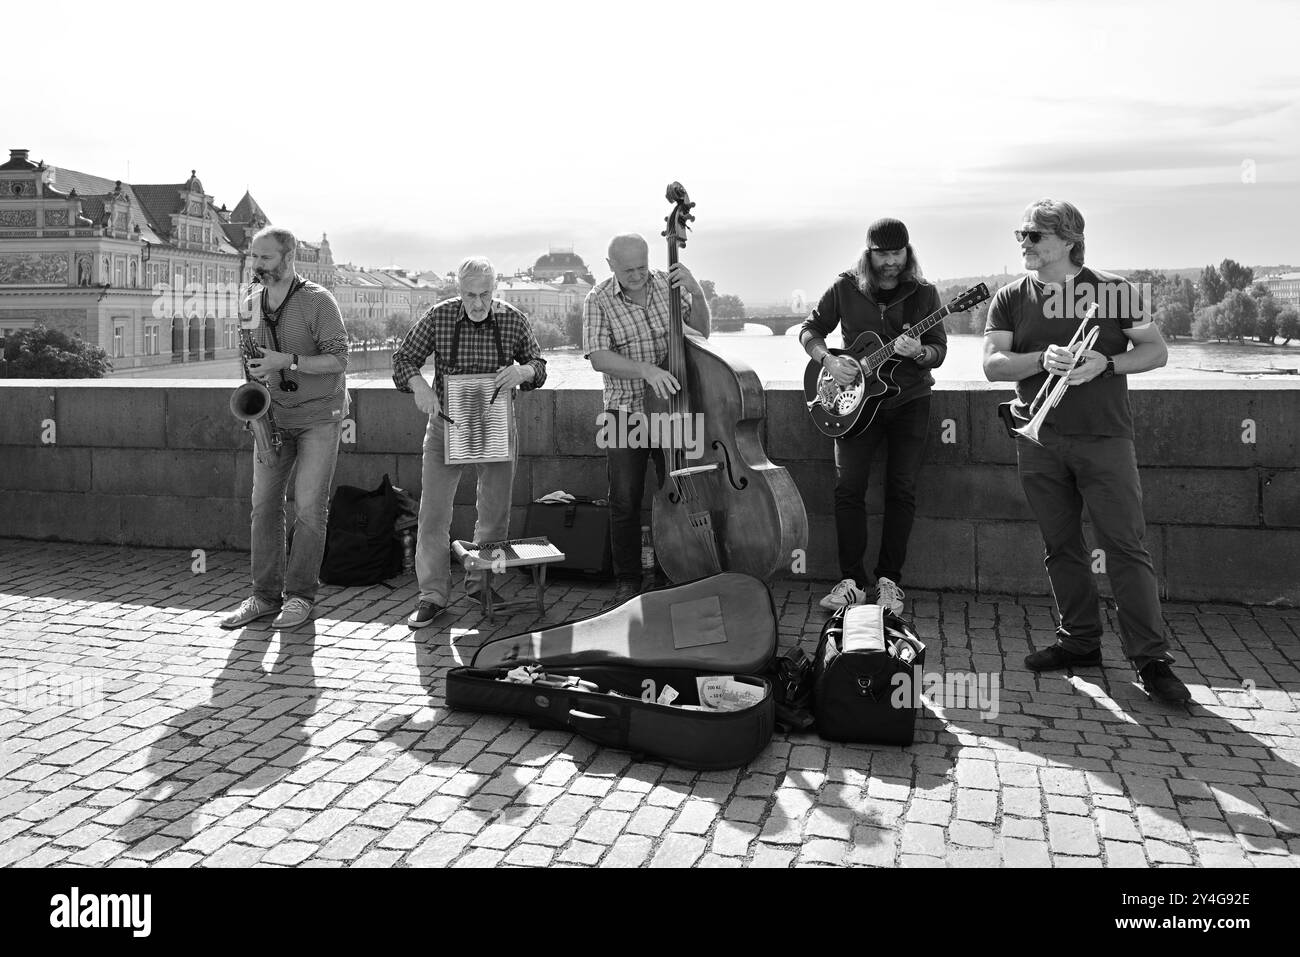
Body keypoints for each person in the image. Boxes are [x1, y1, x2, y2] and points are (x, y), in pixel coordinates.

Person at [982, 198, 1190, 704]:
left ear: (1068, 239)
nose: (1024, 244)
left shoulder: (1115, 291)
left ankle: (1151, 660)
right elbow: (992, 364)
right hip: (1040, 439)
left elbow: (1157, 351)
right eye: (1021, 235)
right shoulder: (1009, 297)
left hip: (1105, 439)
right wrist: (1039, 360)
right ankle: (1080, 642)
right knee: (1061, 547)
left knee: (1126, 548)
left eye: (1033, 236)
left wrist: (1107, 365)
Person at [799, 217, 947, 616]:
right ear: (868, 254)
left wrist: (918, 352)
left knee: (901, 490)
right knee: (848, 490)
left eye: (897, 253)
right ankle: (851, 582)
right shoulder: (845, 288)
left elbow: (939, 351)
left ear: (907, 252)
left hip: (909, 402)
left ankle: (889, 583)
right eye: (882, 254)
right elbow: (810, 330)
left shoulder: (924, 295)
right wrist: (828, 361)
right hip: (855, 407)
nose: (890, 262)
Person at [391, 256, 547, 629]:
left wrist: (522, 371)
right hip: (447, 424)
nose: (478, 303)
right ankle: (432, 596)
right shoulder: (440, 315)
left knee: (494, 515)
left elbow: (539, 367)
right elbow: (403, 360)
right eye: (470, 295)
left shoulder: (512, 318)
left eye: (485, 294)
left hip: (495, 426)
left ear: (495, 290)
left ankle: (481, 586)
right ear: (458, 290)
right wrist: (420, 387)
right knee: (432, 515)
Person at [220, 226, 350, 630]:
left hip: (319, 416)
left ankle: (300, 596)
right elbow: (250, 359)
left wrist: (285, 361)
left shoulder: (318, 301)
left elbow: (339, 360)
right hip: (272, 416)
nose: (256, 265)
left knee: (310, 508)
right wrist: (256, 406)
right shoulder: (249, 301)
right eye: (253, 257)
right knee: (263, 507)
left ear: (288, 258)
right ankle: (263, 596)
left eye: (265, 258)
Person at [583, 233, 710, 607]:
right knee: (624, 500)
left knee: (682, 494)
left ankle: (681, 573)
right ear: (611, 267)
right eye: (628, 270)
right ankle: (627, 581)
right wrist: (645, 370)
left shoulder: (667, 284)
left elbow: (702, 332)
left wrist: (697, 293)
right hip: (624, 411)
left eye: (642, 266)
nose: (638, 275)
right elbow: (598, 358)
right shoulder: (598, 298)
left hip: (676, 407)